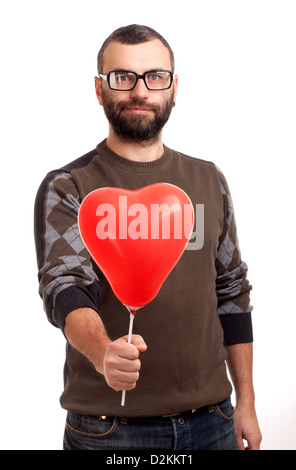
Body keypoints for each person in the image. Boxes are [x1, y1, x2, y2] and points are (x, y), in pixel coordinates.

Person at [34, 24, 262, 451]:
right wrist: (103, 351)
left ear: (174, 89)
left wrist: (245, 401)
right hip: (108, 431)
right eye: (123, 77)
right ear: (100, 90)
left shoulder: (209, 179)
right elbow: (64, 288)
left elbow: (232, 292)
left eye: (154, 77)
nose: (140, 91)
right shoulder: (68, 186)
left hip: (212, 419)